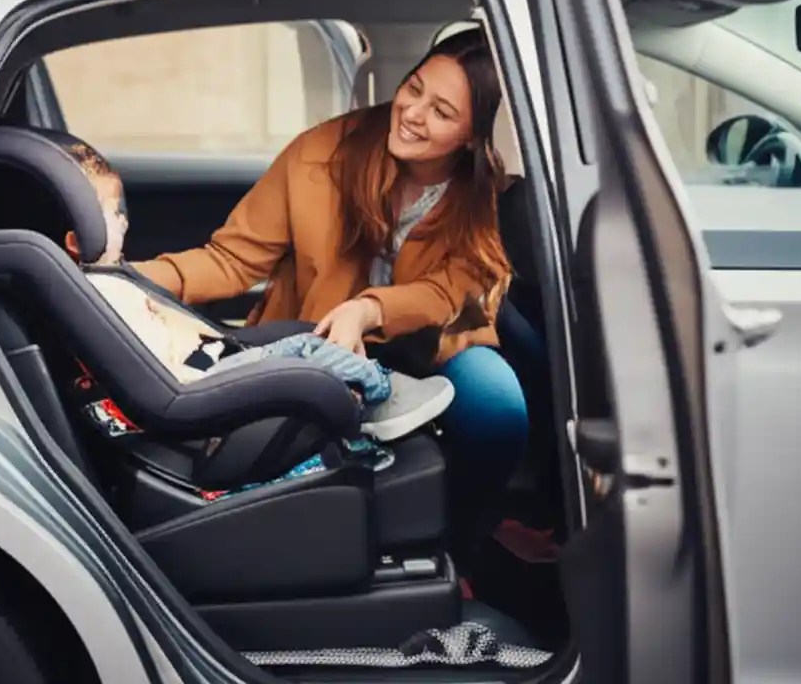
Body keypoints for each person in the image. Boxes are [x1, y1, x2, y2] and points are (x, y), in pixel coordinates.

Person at [129, 30, 531, 544]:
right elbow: (230, 260)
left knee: (498, 408)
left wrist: (368, 309)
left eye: (441, 112)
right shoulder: (322, 155)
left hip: (432, 343)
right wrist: (125, 280)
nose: (411, 112)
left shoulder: (486, 192)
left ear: (474, 136)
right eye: (413, 88)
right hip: (319, 339)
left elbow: (452, 290)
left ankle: (467, 542)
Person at [59, 140, 456, 445]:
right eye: (113, 213)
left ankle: (368, 389)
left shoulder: (104, 285)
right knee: (307, 350)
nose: (125, 220)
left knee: (303, 344)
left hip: (207, 365)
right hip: (196, 380)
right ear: (77, 239)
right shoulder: (101, 292)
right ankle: (382, 391)